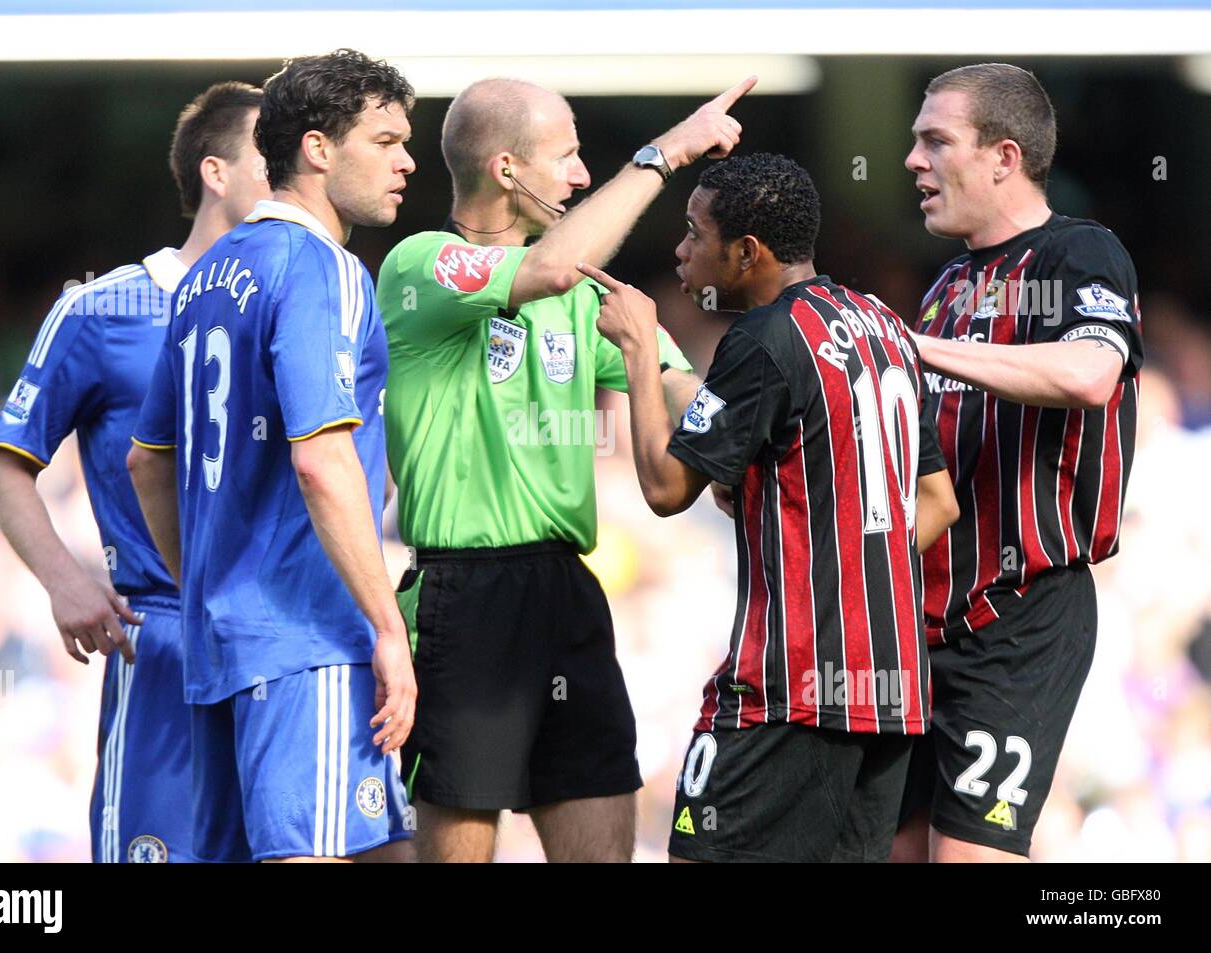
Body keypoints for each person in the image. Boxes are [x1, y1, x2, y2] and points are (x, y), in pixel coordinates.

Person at [375, 76, 755, 862]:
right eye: (568, 156)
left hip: (568, 595)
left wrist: (780, 406)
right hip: (466, 599)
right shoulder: (422, 263)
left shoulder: (583, 294)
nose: (582, 175)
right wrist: (666, 153)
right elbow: (545, 268)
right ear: (506, 169)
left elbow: (692, 396)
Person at [579, 152, 959, 862]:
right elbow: (937, 502)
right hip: (894, 684)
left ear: (747, 251)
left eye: (696, 232)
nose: (681, 248)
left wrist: (637, 348)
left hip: (791, 685)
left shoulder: (761, 337)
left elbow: (665, 490)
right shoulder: (880, 324)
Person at [127, 49, 417, 863]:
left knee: (383, 847)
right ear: (319, 149)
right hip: (309, 637)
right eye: (387, 139)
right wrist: (387, 628)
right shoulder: (325, 268)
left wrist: (208, 592)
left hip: (222, 646)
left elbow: (146, 463)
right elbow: (322, 461)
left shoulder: (205, 274)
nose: (407, 161)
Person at [0, 81, 270, 863]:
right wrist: (64, 580)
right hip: (164, 637)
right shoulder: (103, 310)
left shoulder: (305, 302)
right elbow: (7, 467)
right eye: (270, 156)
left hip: (281, 641)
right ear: (217, 172)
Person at [894, 63, 1143, 862]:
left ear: (1004, 156)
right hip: (922, 617)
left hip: (1021, 617)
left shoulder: (1080, 252)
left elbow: (1090, 374)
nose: (912, 161)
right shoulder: (947, 288)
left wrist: (918, 347)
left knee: (969, 855)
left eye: (935, 141)